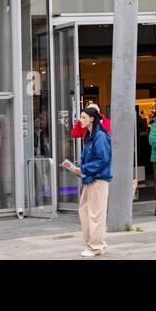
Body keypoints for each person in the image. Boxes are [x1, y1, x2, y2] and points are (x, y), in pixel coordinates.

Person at [64, 103, 112, 257]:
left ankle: (95, 247)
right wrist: (80, 169)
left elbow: (102, 160)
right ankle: (97, 243)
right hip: (89, 179)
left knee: (95, 214)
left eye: (83, 117)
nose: (80, 120)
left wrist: (83, 169)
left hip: (98, 179)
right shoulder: (89, 136)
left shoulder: (100, 136)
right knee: (85, 211)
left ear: (92, 118)